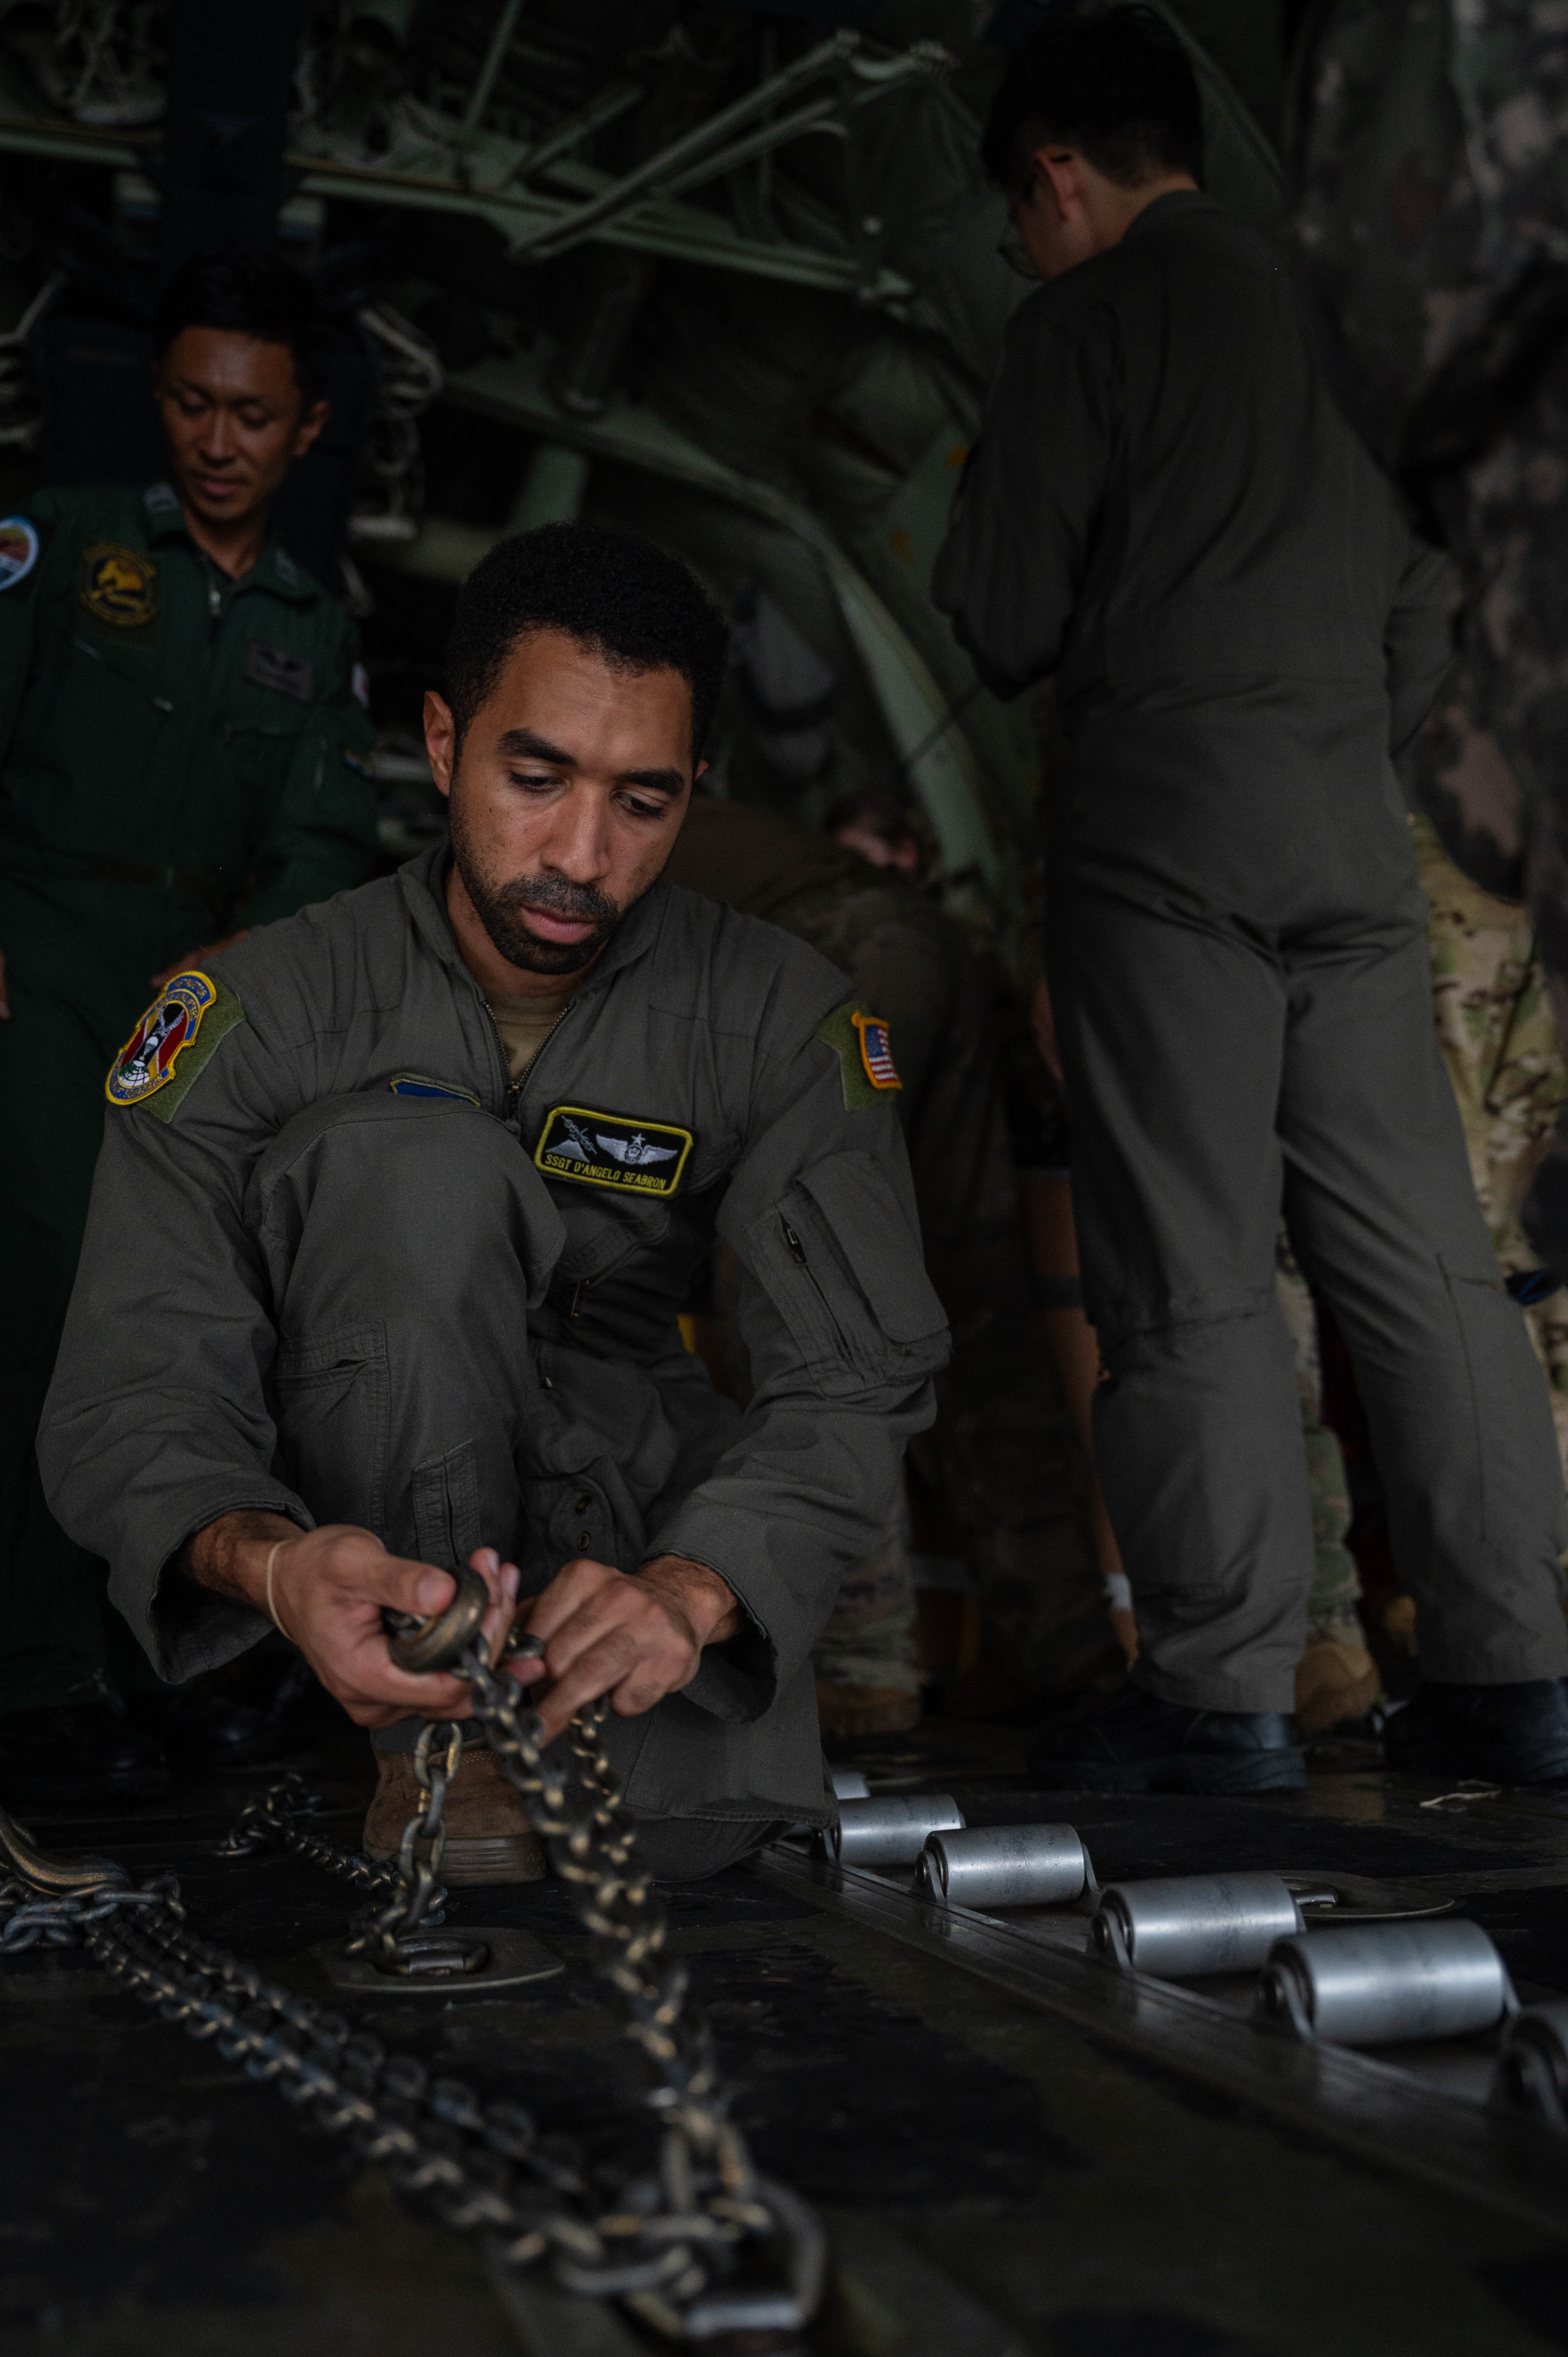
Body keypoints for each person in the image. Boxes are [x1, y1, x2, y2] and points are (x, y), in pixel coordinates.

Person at [36, 523, 948, 1882]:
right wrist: (272, 1565)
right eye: (536, 777)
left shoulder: (781, 1020)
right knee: (416, 1168)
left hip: (624, 1508)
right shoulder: (258, 1014)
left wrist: (695, 1591)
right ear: (444, 743)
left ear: (696, 791)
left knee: (701, 1850)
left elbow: (853, 1378)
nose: (582, 853)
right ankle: (436, 1742)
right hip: (338, 1510)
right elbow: (137, 1384)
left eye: (643, 802)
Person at [932, 6, 1568, 1793]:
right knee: (1425, 1258)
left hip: (1165, 847)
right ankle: (1518, 1672)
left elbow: (999, 613)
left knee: (1186, 1260)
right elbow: (1436, 604)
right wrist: (1331, 731)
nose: (1023, 249)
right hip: (1347, 829)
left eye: (1019, 217)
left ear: (1057, 175)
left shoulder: (1080, 324)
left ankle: (1221, 1691)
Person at [0, 247, 378, 1794]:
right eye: (191, 403)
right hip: (40, 966)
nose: (217, 442)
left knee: (194, 1332)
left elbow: (325, 840)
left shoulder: (314, 626)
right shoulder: (58, 544)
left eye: (253, 415)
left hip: (194, 1003)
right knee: (46, 1308)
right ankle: (38, 1679)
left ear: (309, 429)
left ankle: (154, 1661)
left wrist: (251, 951)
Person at [664, 792, 1119, 1734]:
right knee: (975, 1302)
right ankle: (1061, 1648)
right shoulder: (694, 818)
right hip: (928, 953)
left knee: (799, 1300)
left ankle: (859, 1666)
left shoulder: (528, 851)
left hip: (836, 970)